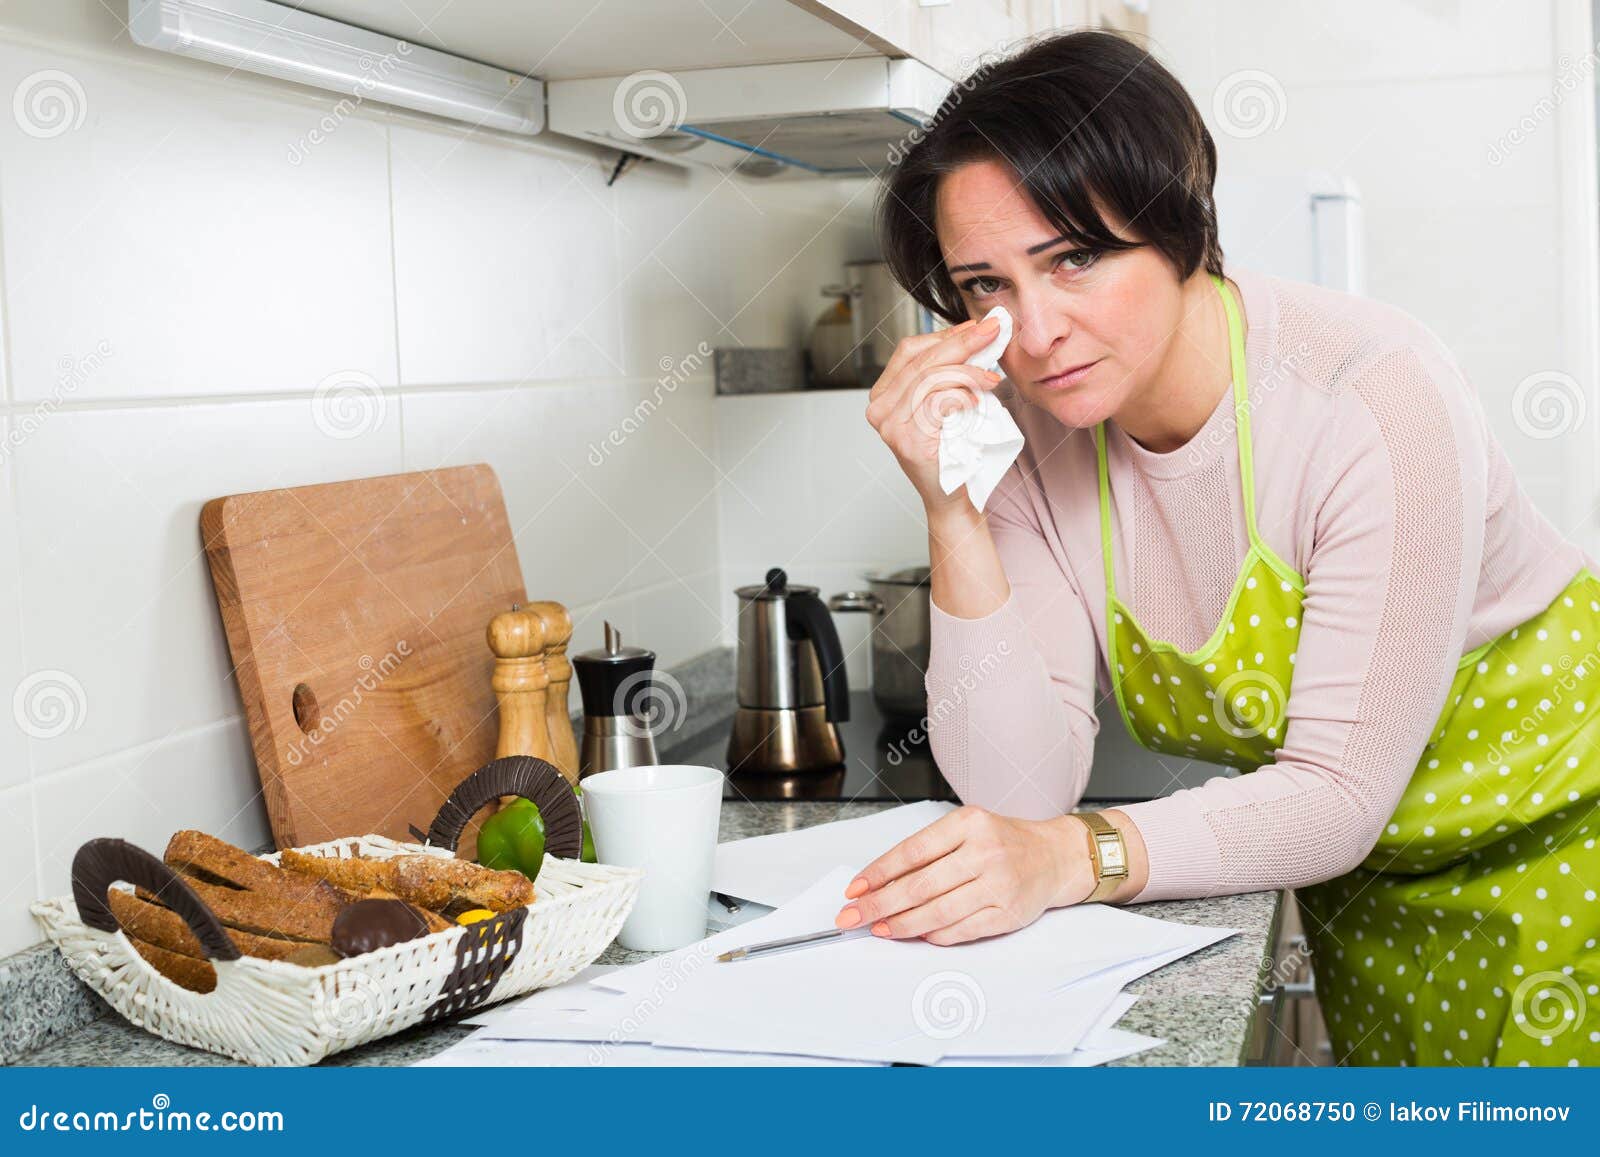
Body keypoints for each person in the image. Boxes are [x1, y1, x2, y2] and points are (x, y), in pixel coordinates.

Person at [844, 27, 1599, 1066]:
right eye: (986, 285)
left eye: (1074, 258)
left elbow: (1333, 792)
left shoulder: (1372, 399)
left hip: (1560, 848)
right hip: (1360, 888)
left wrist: (1075, 855)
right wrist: (950, 508)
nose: (1035, 328)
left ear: (1182, 225)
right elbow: (1018, 795)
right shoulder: (1036, 437)